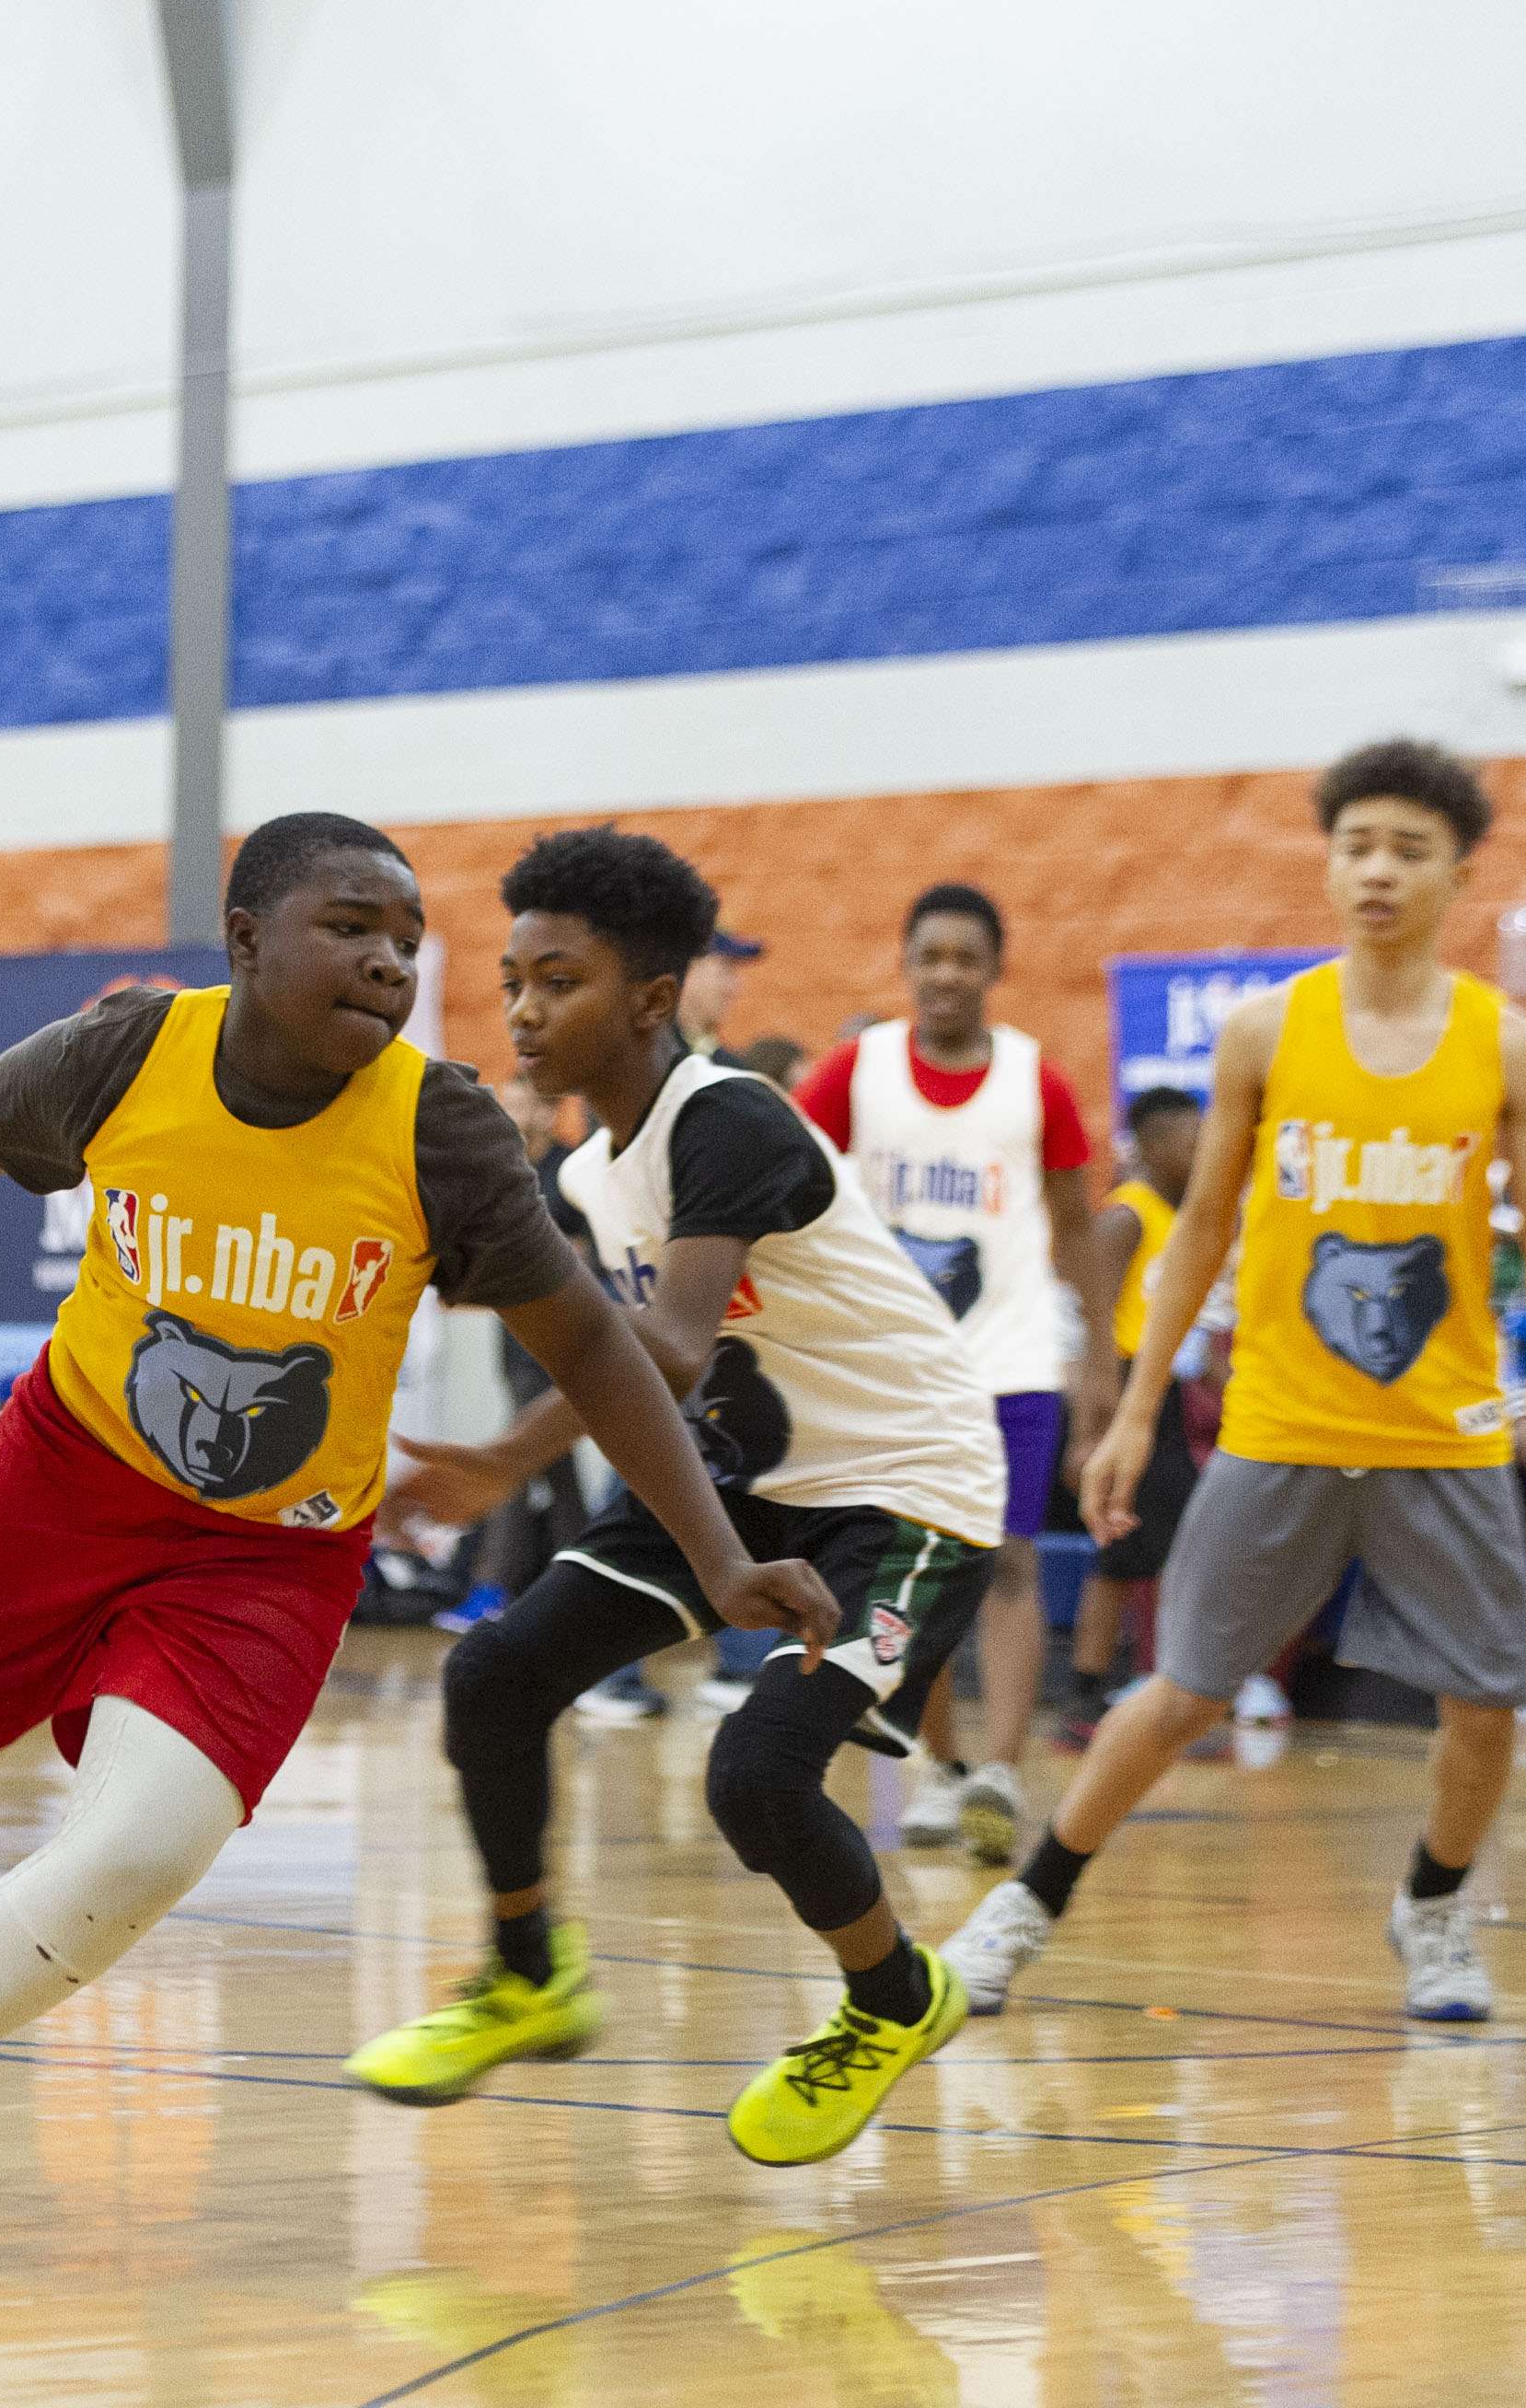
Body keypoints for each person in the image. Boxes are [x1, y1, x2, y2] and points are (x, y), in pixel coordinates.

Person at [0, 814, 830, 2266]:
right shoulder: (128, 1058)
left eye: (409, 940)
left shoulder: (439, 1127)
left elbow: (599, 1351)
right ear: (245, 942)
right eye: (351, 926)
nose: (389, 959)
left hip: (268, 1561)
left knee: (140, 1855)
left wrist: (719, 1556)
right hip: (62, 1485)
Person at [345, 827, 1000, 2163]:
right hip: (745, 1480)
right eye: (514, 979)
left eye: (559, 982)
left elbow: (670, 1346)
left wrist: (506, 1457)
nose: (522, 1009)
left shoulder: (730, 1119)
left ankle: (894, 1996)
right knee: (493, 1677)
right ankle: (530, 1972)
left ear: (650, 998)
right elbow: (622, 1358)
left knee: (758, 1774)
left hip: (907, 1500)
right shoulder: (590, 1172)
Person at [946, 739, 1526, 2025]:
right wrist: (1133, 1408)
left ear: (1458, 872)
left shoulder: (1505, 1044)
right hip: (1280, 1426)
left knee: (1483, 1710)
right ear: (1330, 861)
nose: (1377, 871)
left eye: (1408, 849)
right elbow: (1198, 1235)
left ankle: (1435, 1910)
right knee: (1178, 1694)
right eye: (1355, 844)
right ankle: (1020, 1908)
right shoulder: (1266, 1032)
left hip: (1447, 1435)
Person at [790, 882, 1118, 1863]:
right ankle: (936, 1769)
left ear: (992, 970)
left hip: (1011, 1359)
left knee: (1011, 1561)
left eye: (963, 958)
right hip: (896, 1366)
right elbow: (784, 1174)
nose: (944, 975)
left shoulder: (1034, 1082)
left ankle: (999, 1772)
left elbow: (1075, 1228)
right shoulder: (857, 1071)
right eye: (927, 956)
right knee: (914, 1574)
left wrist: (1096, 1362)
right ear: (904, 964)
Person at [1059, 1085, 1206, 1745]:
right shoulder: (1126, 1216)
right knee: (1129, 1551)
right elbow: (1090, 1319)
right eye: (1190, 1141)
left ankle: (1123, 1690)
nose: (1202, 1150)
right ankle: (1096, 1694)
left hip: (1162, 1395)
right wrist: (1092, 1429)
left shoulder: (1183, 1216)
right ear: (1151, 1147)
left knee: (1145, 1552)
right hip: (1123, 1393)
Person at [436, 1074, 589, 1638]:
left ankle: (493, 1587)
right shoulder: (504, 1171)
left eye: (530, 1100)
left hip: (559, 1346)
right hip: (515, 1341)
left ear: (551, 1111)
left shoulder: (570, 1173)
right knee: (551, 1471)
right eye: (514, 1098)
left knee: (517, 1462)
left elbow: (580, 1258)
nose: (519, 1109)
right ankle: (578, 1589)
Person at [679, 927, 761, 1063]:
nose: (735, 988)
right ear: (687, 971)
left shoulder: (730, 1069)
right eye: (726, 970)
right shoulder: (645, 1059)